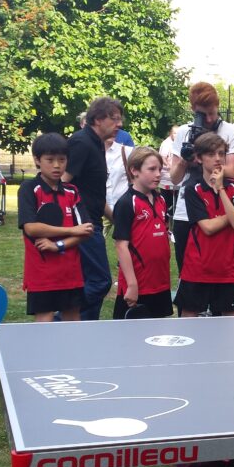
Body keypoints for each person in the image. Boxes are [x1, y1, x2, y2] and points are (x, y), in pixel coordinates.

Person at [171, 83, 234, 276]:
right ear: (193, 109)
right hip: (185, 212)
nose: (210, 119)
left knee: (218, 268)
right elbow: (175, 178)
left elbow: (232, 170)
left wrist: (203, 159)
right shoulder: (184, 133)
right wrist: (186, 159)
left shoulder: (233, 131)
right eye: (204, 114)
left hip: (218, 207)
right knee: (185, 272)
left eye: (213, 113)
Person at [19, 133, 94, 323]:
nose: (56, 165)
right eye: (50, 160)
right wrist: (71, 230)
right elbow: (32, 228)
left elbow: (85, 230)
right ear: (37, 160)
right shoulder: (29, 189)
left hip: (70, 272)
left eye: (62, 160)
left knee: (72, 320)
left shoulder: (72, 191)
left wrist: (58, 245)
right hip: (41, 273)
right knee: (44, 320)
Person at [63, 97, 123, 320]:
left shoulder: (96, 144)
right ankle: (64, 321)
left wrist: (118, 219)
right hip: (83, 225)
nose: (119, 124)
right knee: (100, 281)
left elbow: (94, 194)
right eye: (114, 119)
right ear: (98, 119)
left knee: (90, 280)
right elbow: (63, 184)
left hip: (91, 220)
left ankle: (85, 331)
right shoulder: (81, 142)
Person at [174, 133, 234, 317]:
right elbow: (207, 228)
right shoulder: (192, 188)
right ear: (199, 158)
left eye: (221, 154)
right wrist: (228, 216)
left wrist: (220, 188)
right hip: (197, 267)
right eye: (211, 154)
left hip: (227, 268)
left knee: (230, 322)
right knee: (189, 317)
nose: (218, 159)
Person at [113, 147, 172, 319]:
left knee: (159, 335)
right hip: (137, 284)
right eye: (152, 169)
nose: (158, 174)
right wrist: (131, 284)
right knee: (129, 338)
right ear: (134, 170)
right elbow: (121, 246)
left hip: (160, 282)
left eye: (160, 169)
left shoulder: (161, 200)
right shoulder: (126, 203)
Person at [159, 126, 177, 219]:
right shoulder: (166, 144)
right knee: (166, 200)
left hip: (175, 178)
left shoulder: (178, 142)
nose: (176, 135)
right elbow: (162, 157)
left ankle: (172, 213)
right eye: (174, 133)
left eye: (177, 133)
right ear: (171, 133)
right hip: (166, 177)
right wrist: (169, 166)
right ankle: (164, 216)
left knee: (176, 199)